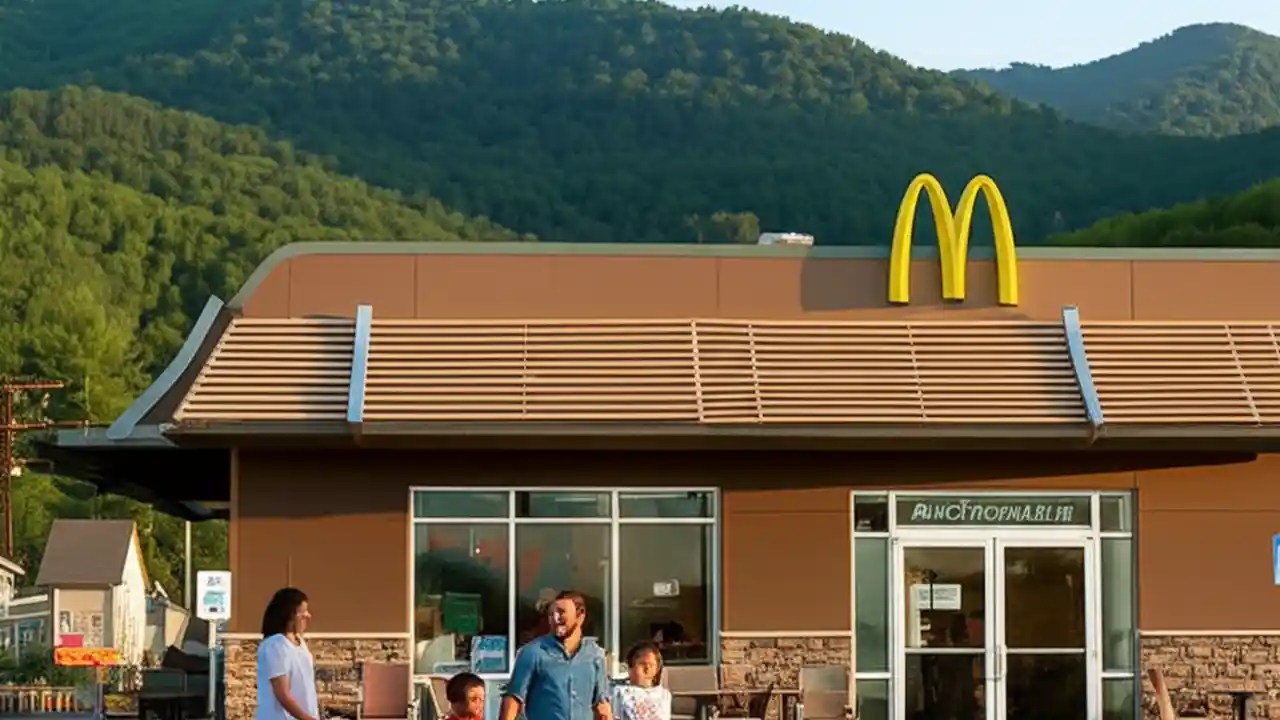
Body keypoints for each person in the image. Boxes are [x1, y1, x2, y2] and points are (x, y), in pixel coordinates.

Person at [501, 590, 612, 720]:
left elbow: (601, 704)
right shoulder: (533, 652)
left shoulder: (594, 655)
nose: (555, 618)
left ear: (580, 615)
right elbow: (513, 699)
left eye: (561, 612)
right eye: (550, 614)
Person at [256, 587, 319, 720]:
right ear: (291, 615)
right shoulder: (275, 645)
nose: (308, 616)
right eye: (303, 612)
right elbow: (282, 693)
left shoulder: (299, 642)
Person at [611, 642, 671, 720]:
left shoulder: (664, 695)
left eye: (652, 665)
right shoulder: (619, 692)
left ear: (657, 669)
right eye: (642, 664)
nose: (647, 669)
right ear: (630, 668)